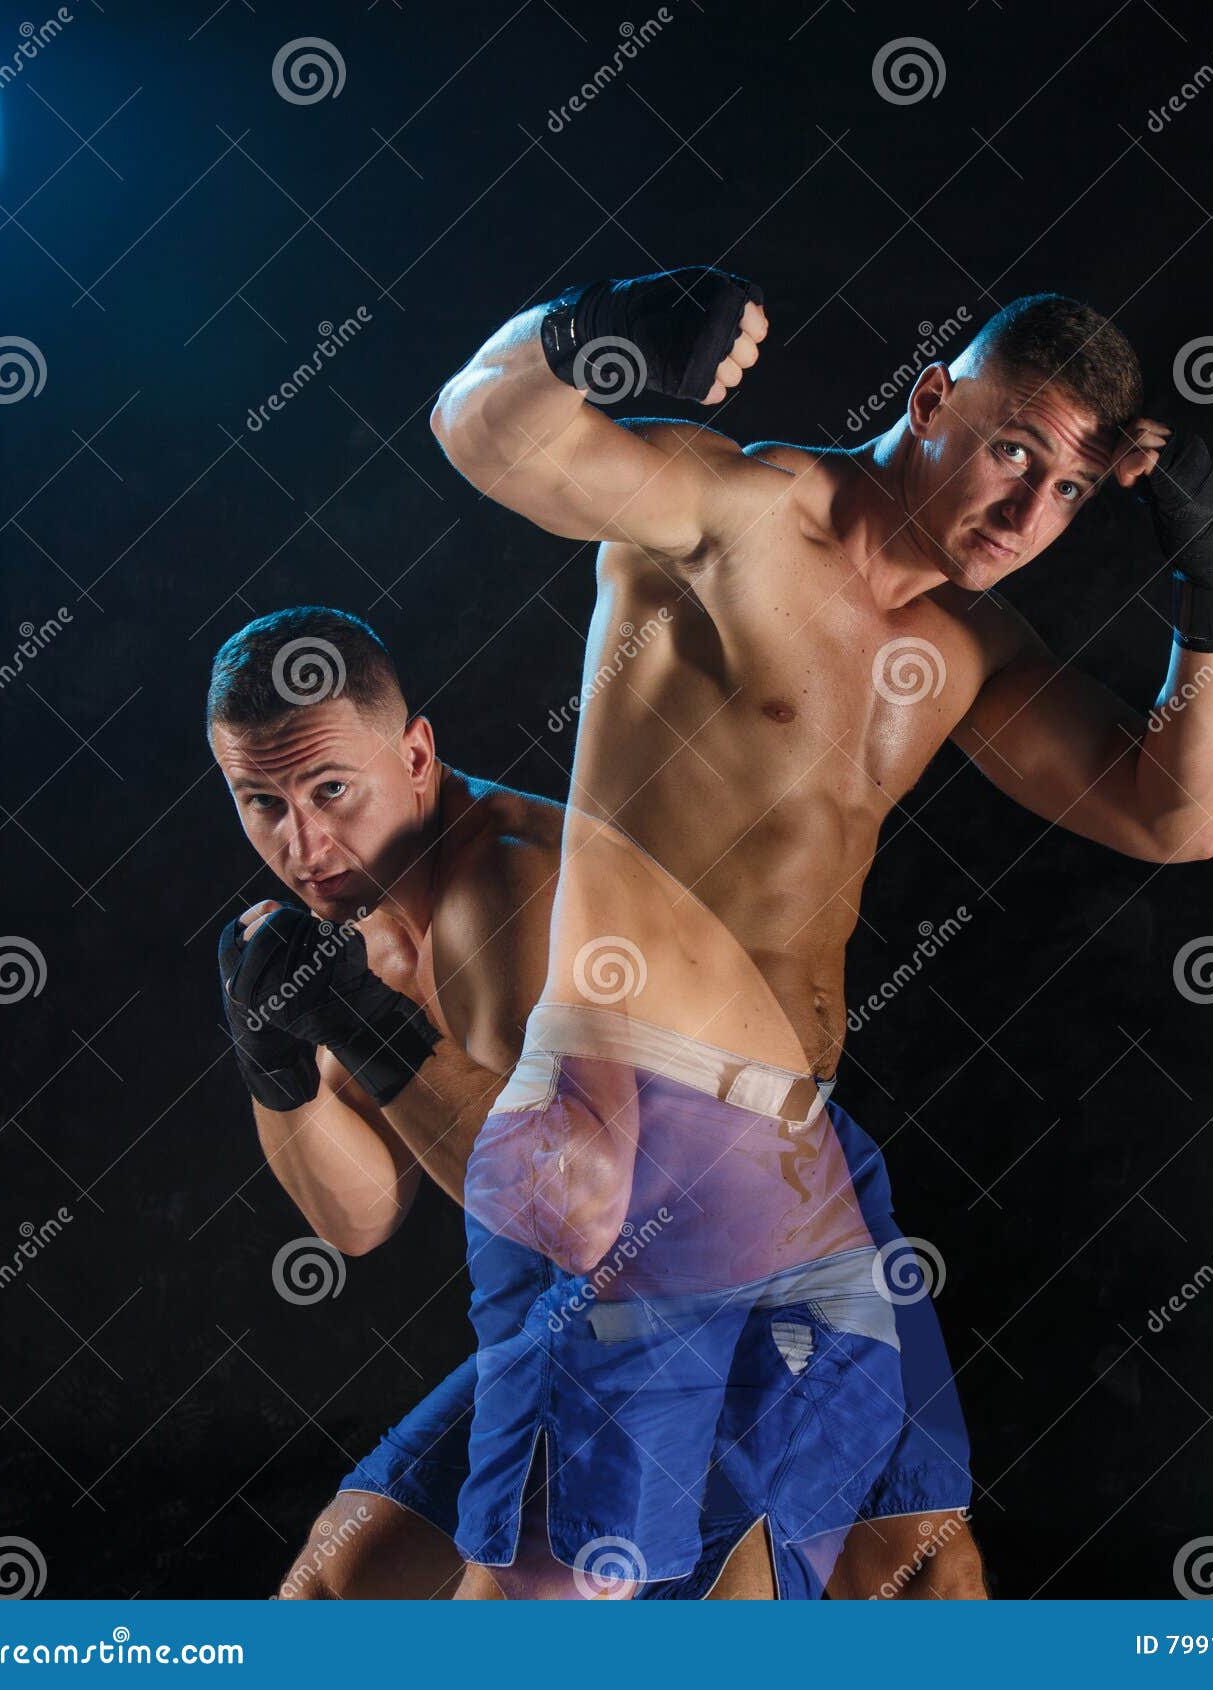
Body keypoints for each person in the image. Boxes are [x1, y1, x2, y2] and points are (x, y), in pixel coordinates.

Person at [428, 268, 1213, 1599]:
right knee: (578, 1588)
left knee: (917, 1561)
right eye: (1012, 452)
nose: (1029, 510)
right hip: (640, 1109)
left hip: (804, 1152)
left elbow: (1178, 815)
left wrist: (1210, 589)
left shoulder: (971, 644)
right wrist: (578, 331)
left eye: (1070, 493)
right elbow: (485, 433)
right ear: (932, 400)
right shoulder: (738, 512)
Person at [209, 603, 980, 1599]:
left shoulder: (516, 886)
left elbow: (575, 1215)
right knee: (333, 1588)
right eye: (260, 801)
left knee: (878, 1580)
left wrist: (359, 1024)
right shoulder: (357, 937)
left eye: (328, 789)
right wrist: (274, 1066)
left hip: (757, 1262)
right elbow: (356, 1216)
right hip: (622, 1287)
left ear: (414, 756)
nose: (303, 841)